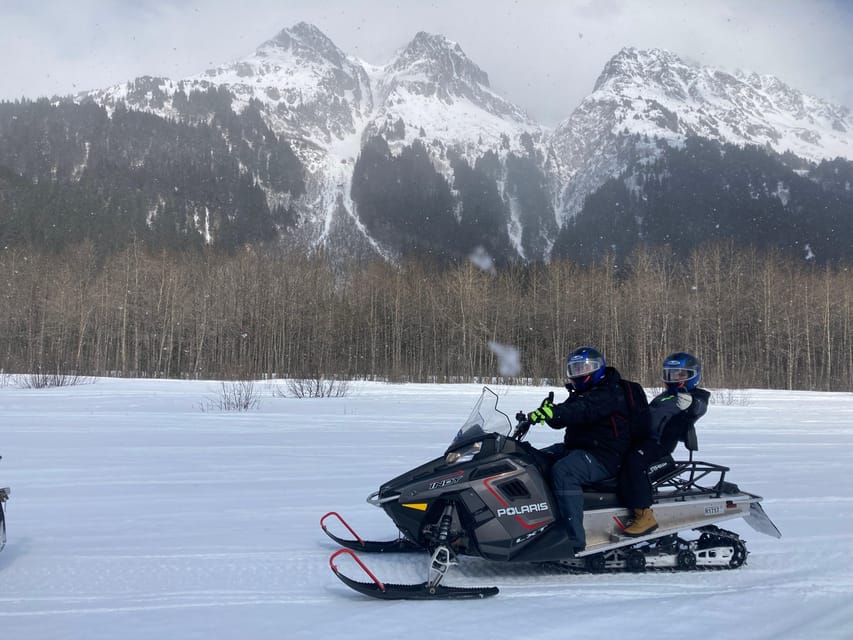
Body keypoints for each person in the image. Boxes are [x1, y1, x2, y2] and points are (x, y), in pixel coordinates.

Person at [526, 346, 635, 552]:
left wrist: (556, 412)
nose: (578, 374)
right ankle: (539, 524)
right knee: (535, 460)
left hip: (605, 455)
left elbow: (583, 411)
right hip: (580, 448)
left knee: (564, 472)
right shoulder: (583, 392)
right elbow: (566, 416)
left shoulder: (608, 391)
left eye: (583, 368)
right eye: (574, 369)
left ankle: (573, 537)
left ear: (597, 369)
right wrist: (547, 413)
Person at [618, 352, 710, 537]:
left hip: (659, 444)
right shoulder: (664, 397)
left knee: (634, 461)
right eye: (670, 374)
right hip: (644, 439)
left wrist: (691, 404)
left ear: (693, 375)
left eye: (680, 374)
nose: (674, 378)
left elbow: (698, 407)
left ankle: (644, 514)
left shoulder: (696, 396)